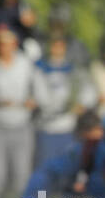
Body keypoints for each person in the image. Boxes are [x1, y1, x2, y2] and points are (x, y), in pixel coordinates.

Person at [0, 25, 37, 198]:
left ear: (14, 44)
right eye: (0, 43)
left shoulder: (25, 63)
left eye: (8, 43)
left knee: (22, 174)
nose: (4, 47)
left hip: (22, 124)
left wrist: (33, 100)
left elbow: (36, 89)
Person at [34, 35, 98, 167]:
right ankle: (42, 190)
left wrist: (81, 105)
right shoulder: (39, 69)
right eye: (54, 45)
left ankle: (63, 189)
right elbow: (41, 98)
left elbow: (89, 94)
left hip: (68, 129)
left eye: (60, 46)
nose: (57, 49)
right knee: (43, 168)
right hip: (46, 128)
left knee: (66, 168)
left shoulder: (74, 70)